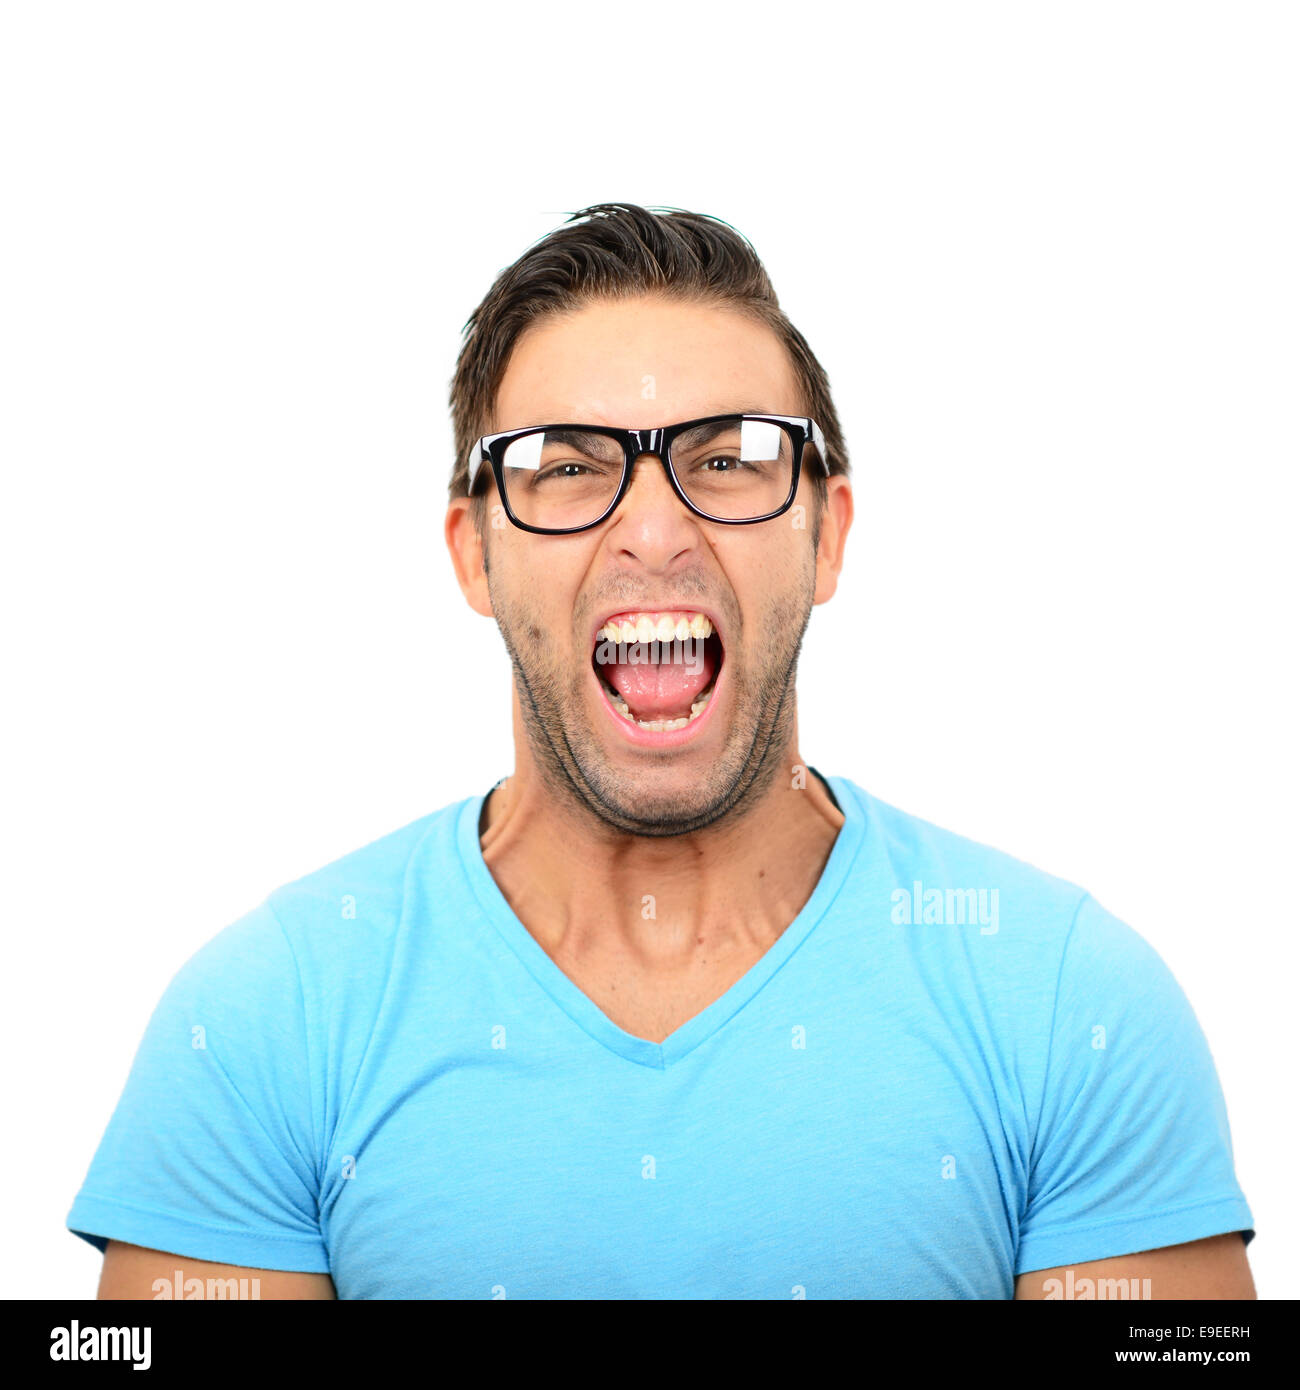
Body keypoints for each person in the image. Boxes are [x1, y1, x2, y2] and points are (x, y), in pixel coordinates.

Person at [69, 203, 1255, 1299]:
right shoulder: (268, 1017)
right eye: (568, 466)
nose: (653, 527)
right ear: (473, 554)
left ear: (826, 535)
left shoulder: (1070, 1004)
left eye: (727, 457)